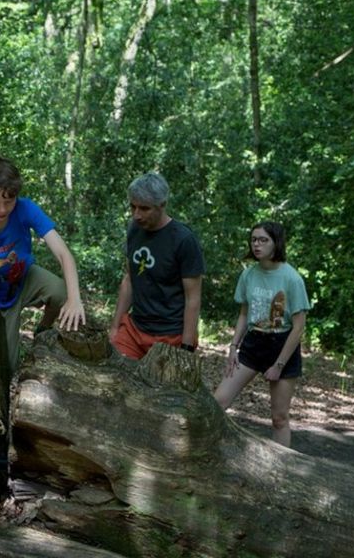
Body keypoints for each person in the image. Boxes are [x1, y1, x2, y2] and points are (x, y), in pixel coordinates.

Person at [0, 157, 85, 367]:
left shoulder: (26, 209)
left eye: (9, 201)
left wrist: (75, 300)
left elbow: (64, 254)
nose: (2, 210)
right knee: (7, 365)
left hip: (24, 278)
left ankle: (43, 330)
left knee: (62, 292)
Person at [214, 222, 310, 447]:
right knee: (218, 402)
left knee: (279, 418)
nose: (256, 244)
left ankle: (281, 473)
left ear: (276, 243)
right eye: (254, 239)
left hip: (282, 345)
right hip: (253, 342)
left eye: (263, 240)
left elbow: (298, 327)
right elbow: (244, 314)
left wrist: (278, 365)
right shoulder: (248, 275)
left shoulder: (292, 279)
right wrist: (233, 347)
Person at [108, 172, 204, 359]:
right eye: (132, 207)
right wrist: (115, 327)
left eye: (144, 209)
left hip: (171, 335)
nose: (137, 215)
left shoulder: (183, 240)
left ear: (162, 205)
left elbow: (193, 298)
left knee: (162, 388)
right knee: (115, 377)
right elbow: (129, 279)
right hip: (134, 330)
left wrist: (186, 348)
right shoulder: (134, 229)